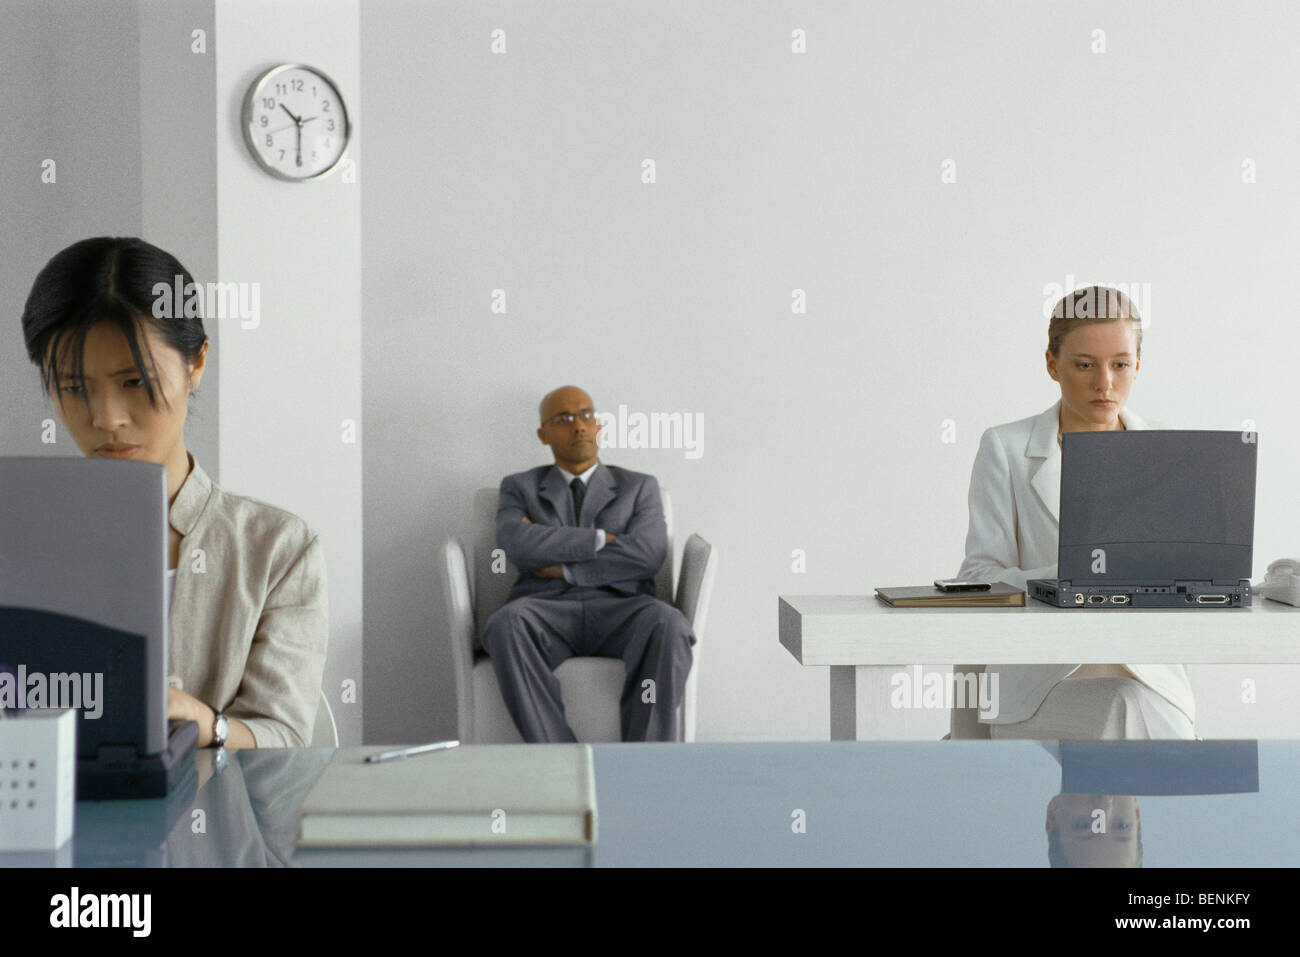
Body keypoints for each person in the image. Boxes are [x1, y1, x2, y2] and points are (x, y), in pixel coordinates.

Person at [20, 236, 327, 749]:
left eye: (135, 382)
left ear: (196, 364)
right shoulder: (23, 536)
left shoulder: (276, 547)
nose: (106, 418)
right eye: (74, 388)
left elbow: (286, 737)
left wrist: (203, 722)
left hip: (214, 821)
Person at [956, 286, 1194, 739]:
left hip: (1153, 679)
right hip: (1041, 683)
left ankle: (1113, 809)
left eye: (1120, 364)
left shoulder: (1170, 451)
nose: (1104, 383)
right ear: (1052, 364)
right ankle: (1125, 811)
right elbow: (977, 577)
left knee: (1128, 702)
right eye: (1085, 364)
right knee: (1119, 708)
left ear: (1138, 365)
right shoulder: (1005, 449)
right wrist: (1070, 576)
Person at [482, 385, 694, 742]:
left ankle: (644, 766)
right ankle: (561, 763)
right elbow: (514, 543)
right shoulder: (519, 487)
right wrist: (601, 539)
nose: (578, 425)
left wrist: (563, 565)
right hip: (547, 608)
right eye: (564, 419)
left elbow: (647, 554)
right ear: (543, 434)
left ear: (598, 426)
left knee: (670, 623)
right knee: (505, 624)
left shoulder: (640, 486)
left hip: (623, 608)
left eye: (586, 415)